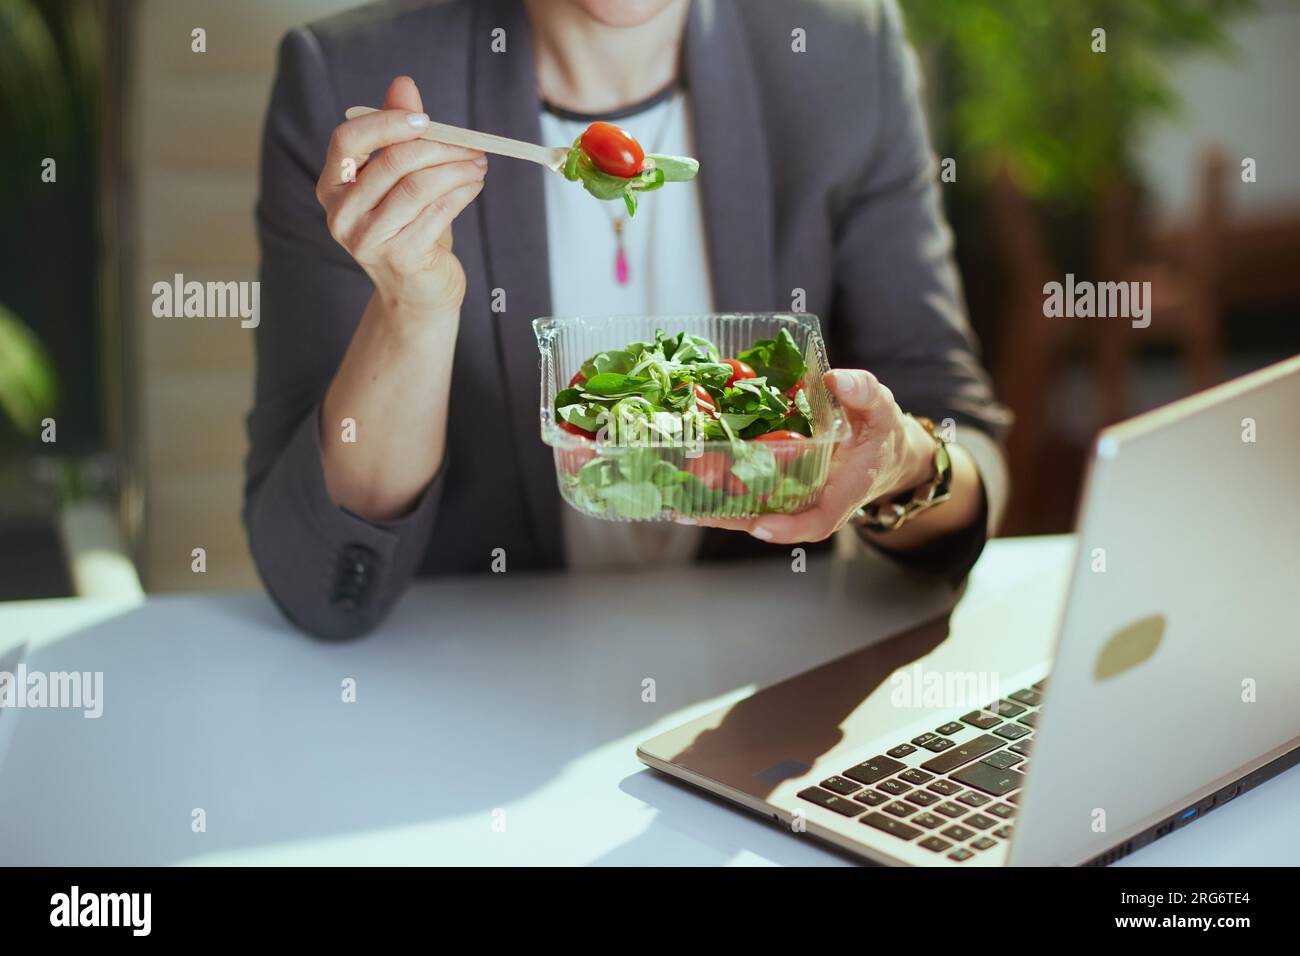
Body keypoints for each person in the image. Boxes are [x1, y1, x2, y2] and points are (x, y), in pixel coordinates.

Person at [244, 0, 1012, 639]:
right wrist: (413, 307)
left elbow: (961, 443)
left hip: (759, 701)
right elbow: (319, 582)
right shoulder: (347, 82)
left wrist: (903, 466)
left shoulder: (844, 56)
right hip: (469, 708)